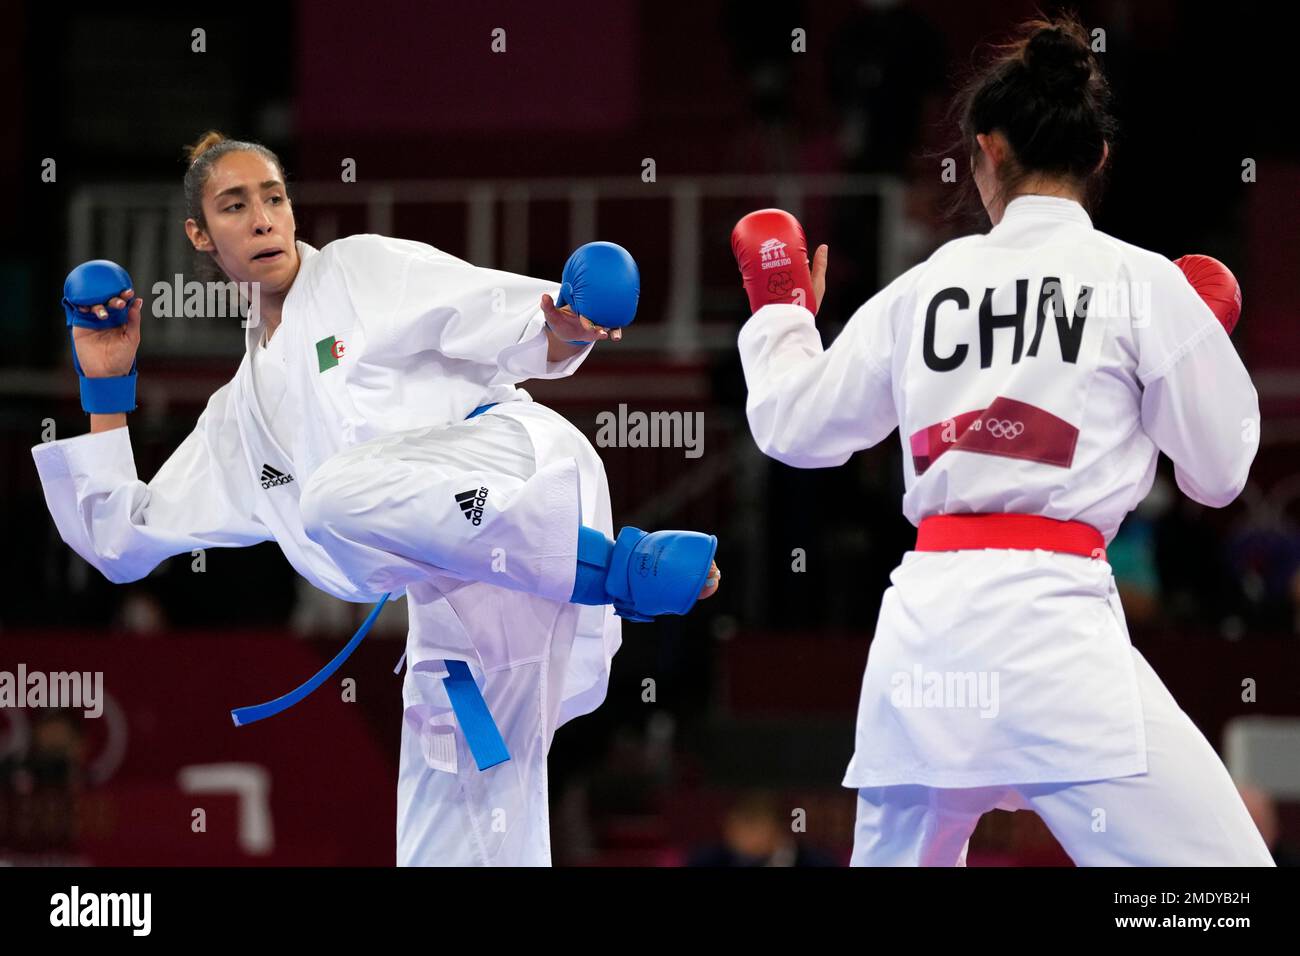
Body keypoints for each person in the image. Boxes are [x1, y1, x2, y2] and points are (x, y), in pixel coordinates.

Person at [33, 132, 719, 866]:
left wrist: (559, 326)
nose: (263, 218)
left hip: (519, 478)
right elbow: (120, 539)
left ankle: (615, 569)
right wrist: (106, 386)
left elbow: (499, 316)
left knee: (328, 498)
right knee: (457, 837)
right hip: (460, 606)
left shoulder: (358, 272)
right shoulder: (239, 421)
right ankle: (594, 574)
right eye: (235, 206)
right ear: (201, 236)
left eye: (273, 197)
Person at [729, 15, 1271, 865]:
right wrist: (1197, 351)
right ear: (1097, 159)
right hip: (1055, 637)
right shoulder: (1142, 283)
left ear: (985, 150)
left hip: (926, 634)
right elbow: (1219, 474)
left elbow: (794, 428)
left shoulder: (928, 286)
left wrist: (782, 314)